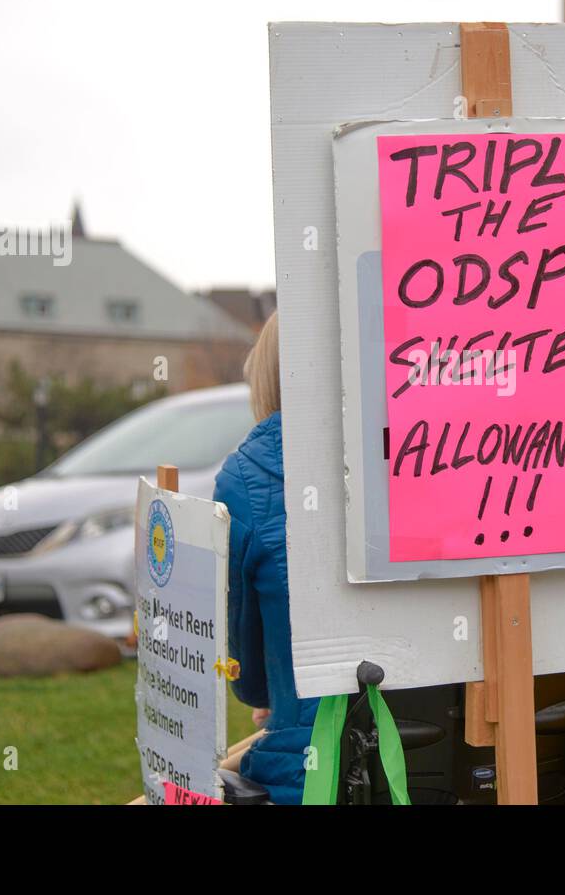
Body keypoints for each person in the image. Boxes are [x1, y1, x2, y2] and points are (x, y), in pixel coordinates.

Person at [213, 312, 319, 803]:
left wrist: (277, 695)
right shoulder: (431, 454)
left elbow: (247, 669)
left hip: (308, 769)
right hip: (454, 758)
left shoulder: (247, 479)